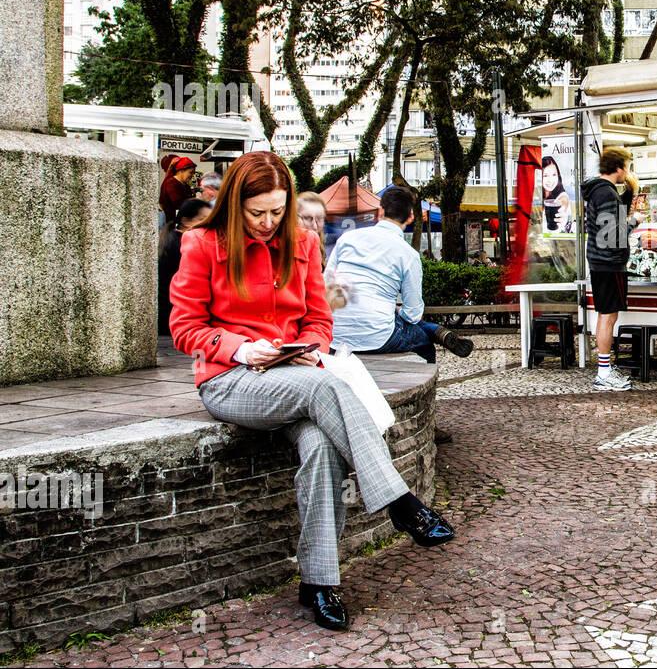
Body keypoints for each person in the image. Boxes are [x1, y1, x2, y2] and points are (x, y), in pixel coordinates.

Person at [169, 152, 454, 633]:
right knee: (326, 385)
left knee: (321, 445)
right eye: (256, 212)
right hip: (230, 378)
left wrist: (309, 348)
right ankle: (400, 503)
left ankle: (319, 582)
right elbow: (184, 329)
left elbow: (320, 319)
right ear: (235, 204)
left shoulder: (302, 242)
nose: (267, 222)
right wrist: (243, 349)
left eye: (277, 211)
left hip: (297, 374)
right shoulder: (202, 243)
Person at [327, 186, 474, 363]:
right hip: (378, 336)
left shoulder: (347, 239)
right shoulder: (408, 254)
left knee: (400, 321)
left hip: (334, 333)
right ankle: (433, 338)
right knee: (423, 342)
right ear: (411, 216)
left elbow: (326, 283)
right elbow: (413, 314)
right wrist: (396, 310)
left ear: (380, 211)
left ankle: (435, 330)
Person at [580, 146, 640, 391]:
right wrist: (635, 222)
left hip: (600, 261)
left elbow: (611, 218)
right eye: (627, 167)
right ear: (618, 168)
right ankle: (603, 373)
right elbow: (612, 234)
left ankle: (604, 369)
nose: (628, 171)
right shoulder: (606, 193)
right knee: (608, 317)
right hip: (609, 263)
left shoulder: (600, 191)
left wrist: (630, 193)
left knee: (606, 315)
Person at [157, 198, 211, 334]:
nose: (209, 224)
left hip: (168, 314)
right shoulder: (185, 245)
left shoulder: (171, 238)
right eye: (203, 220)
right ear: (186, 221)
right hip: (175, 318)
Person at [159, 156, 197, 224]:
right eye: (190, 172)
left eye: (193, 173)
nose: (192, 176)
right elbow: (178, 203)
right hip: (168, 222)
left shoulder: (186, 185)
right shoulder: (171, 183)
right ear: (181, 171)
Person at [541, 155, 573, 233]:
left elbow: (563, 200)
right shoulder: (537, 194)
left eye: (554, 175)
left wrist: (562, 211)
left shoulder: (561, 194)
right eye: (545, 175)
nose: (551, 180)